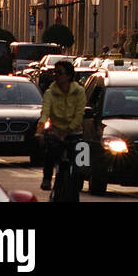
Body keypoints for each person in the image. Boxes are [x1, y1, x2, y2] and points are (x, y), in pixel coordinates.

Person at [36, 60, 86, 191]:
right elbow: (45, 112)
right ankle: (47, 178)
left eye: (59, 72)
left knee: (82, 153)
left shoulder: (79, 92)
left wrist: (68, 131)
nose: (56, 75)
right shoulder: (49, 93)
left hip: (74, 132)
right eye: (54, 72)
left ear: (69, 76)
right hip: (56, 131)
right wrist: (40, 130)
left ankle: (80, 177)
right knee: (51, 150)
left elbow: (79, 114)